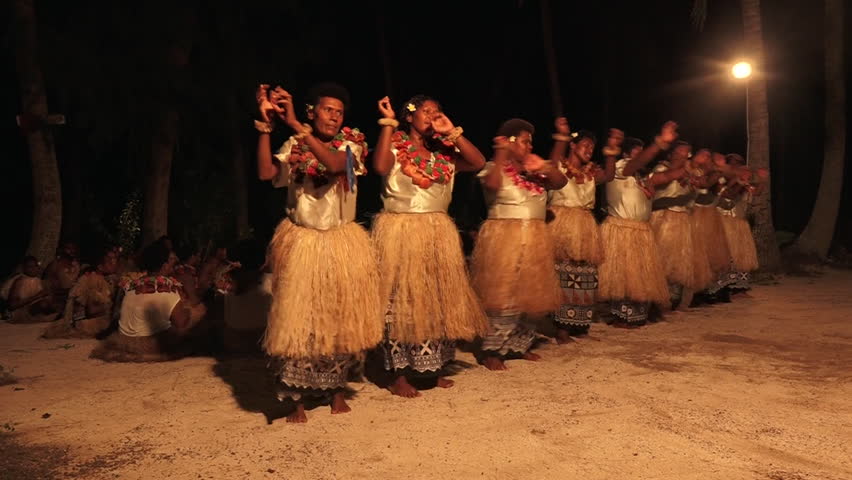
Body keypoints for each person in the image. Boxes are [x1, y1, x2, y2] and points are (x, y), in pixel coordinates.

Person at [255, 82, 382, 422]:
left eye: (339, 112)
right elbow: (266, 172)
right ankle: (297, 399)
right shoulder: (294, 145)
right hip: (303, 240)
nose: (335, 116)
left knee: (338, 317)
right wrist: (266, 126)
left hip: (340, 240)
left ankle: (336, 390)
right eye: (328, 109)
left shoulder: (352, 145)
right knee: (301, 319)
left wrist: (297, 126)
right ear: (313, 112)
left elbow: (336, 165)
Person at [372, 95, 487, 396]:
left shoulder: (445, 153)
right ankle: (398, 375)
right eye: (426, 111)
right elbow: (380, 166)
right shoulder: (394, 145)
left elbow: (478, 162)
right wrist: (387, 124)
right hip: (400, 230)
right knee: (400, 303)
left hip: (438, 231)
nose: (432, 115)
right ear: (409, 117)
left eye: (437, 111)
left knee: (436, 300)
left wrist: (452, 132)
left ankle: (432, 367)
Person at [471, 118, 566, 370]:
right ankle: (492, 351)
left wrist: (543, 166)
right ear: (510, 142)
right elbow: (492, 185)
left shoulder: (534, 172)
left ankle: (517, 346)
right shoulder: (493, 167)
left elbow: (560, 182)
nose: (530, 146)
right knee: (505, 297)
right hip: (505, 238)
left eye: (530, 142)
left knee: (531, 296)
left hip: (535, 238)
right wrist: (501, 153)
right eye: (525, 141)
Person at [597, 123, 678, 327]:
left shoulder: (641, 176)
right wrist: (659, 144)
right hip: (622, 228)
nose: (643, 156)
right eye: (638, 152)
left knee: (638, 274)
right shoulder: (621, 168)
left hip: (641, 230)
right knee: (623, 275)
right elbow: (640, 161)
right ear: (626, 153)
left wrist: (683, 165)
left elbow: (665, 177)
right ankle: (621, 316)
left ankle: (635, 315)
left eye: (643, 152)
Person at [546, 119, 618, 341]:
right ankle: (562, 329)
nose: (589, 150)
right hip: (561, 221)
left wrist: (611, 151)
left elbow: (609, 175)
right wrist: (562, 136)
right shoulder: (559, 167)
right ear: (573, 145)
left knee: (585, 275)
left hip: (585, 224)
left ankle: (579, 324)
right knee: (563, 274)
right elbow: (552, 163)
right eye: (585, 145)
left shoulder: (591, 173)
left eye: (592, 148)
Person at [90, 240, 208, 362]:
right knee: (197, 317)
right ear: (164, 266)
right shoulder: (166, 287)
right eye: (170, 261)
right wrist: (191, 309)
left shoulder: (132, 285)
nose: (172, 265)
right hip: (150, 344)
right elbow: (181, 323)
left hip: (125, 340)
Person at [43, 247, 119, 338]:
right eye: (110, 261)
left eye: (115, 260)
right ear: (100, 266)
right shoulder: (93, 279)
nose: (114, 263)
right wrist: (112, 306)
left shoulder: (104, 278)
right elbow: (91, 311)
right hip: (85, 323)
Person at [7, 256, 59, 324]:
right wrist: (37, 296)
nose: (33, 269)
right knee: (43, 304)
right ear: (24, 268)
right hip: (22, 313)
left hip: (37, 311)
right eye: (30, 267)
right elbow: (12, 305)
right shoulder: (19, 281)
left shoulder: (38, 281)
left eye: (35, 266)